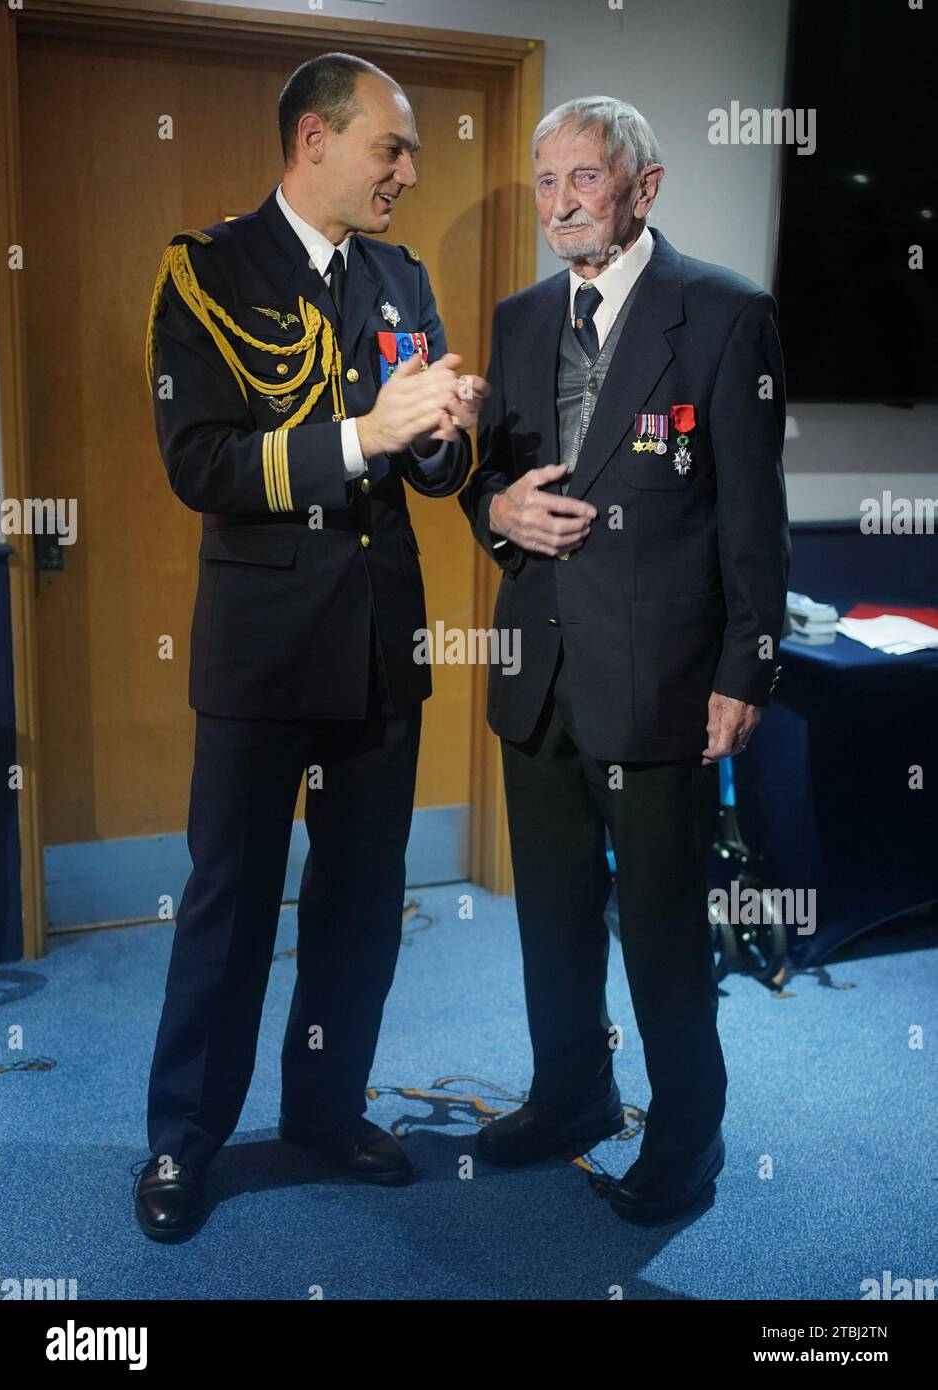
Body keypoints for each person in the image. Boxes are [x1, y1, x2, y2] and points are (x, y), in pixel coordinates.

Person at [135, 51, 488, 1241]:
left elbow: (432, 474)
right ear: (313, 143)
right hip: (265, 651)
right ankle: (184, 1141)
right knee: (228, 903)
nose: (407, 171)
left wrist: (442, 432)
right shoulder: (209, 270)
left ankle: (326, 1115)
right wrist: (359, 436)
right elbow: (201, 465)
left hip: (381, 650)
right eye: (391, 148)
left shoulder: (403, 276)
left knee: (359, 902)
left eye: (413, 154)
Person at [459, 96, 789, 1224]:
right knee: (550, 918)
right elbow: (487, 484)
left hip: (660, 686)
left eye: (583, 179)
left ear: (642, 189)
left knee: (658, 934)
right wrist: (493, 508)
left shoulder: (726, 314)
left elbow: (754, 513)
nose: (560, 204)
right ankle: (573, 1097)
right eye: (546, 182)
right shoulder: (515, 318)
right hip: (537, 676)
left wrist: (746, 669)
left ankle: (687, 1139)